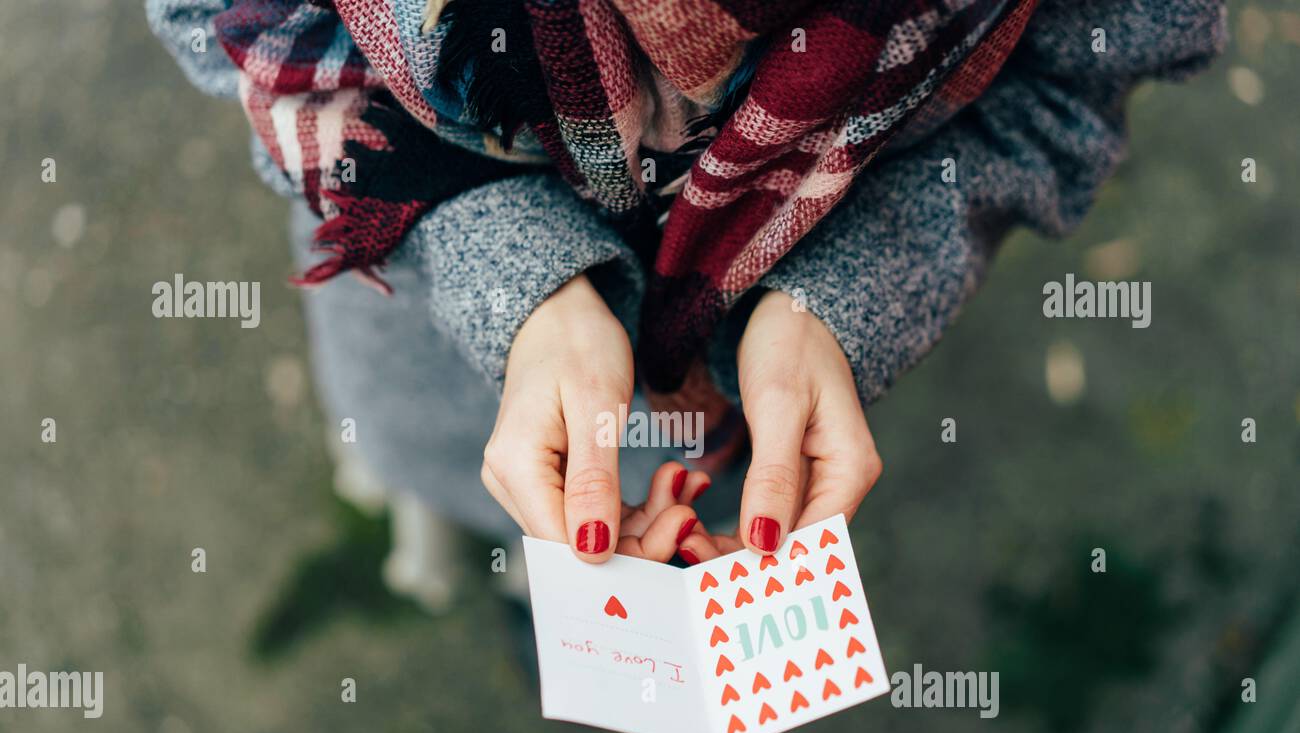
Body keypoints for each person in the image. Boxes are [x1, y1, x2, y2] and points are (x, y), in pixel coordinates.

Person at [148, 0, 1226, 581]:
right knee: (481, 514)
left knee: (589, 585)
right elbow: (243, 24)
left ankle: (548, 603)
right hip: (427, 352)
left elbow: (1061, 92)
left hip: (742, 424)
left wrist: (832, 302)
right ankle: (505, 576)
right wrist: (521, 279)